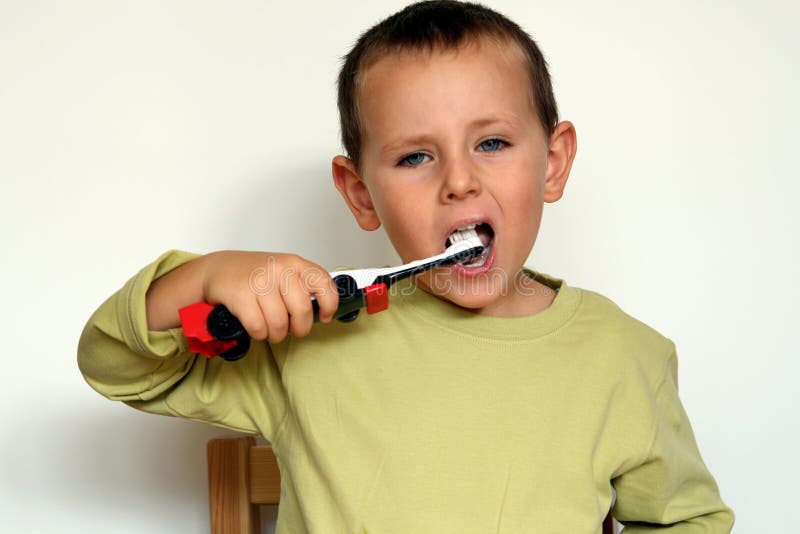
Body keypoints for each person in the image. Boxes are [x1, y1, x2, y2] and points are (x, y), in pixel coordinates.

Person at [77, 1, 734, 532]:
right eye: (416, 157)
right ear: (361, 193)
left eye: (494, 142)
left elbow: (687, 521)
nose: (459, 182)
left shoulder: (629, 359)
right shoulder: (309, 340)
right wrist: (204, 277)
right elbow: (115, 364)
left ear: (554, 163)